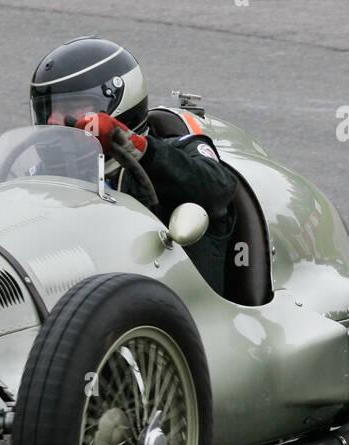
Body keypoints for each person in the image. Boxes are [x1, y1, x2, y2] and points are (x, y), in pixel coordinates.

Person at [29, 36, 238, 295]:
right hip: (78, 303)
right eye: (50, 109)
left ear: (118, 101)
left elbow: (219, 189)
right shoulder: (44, 176)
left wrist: (138, 149)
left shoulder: (180, 152)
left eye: (73, 106)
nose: (54, 120)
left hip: (176, 308)